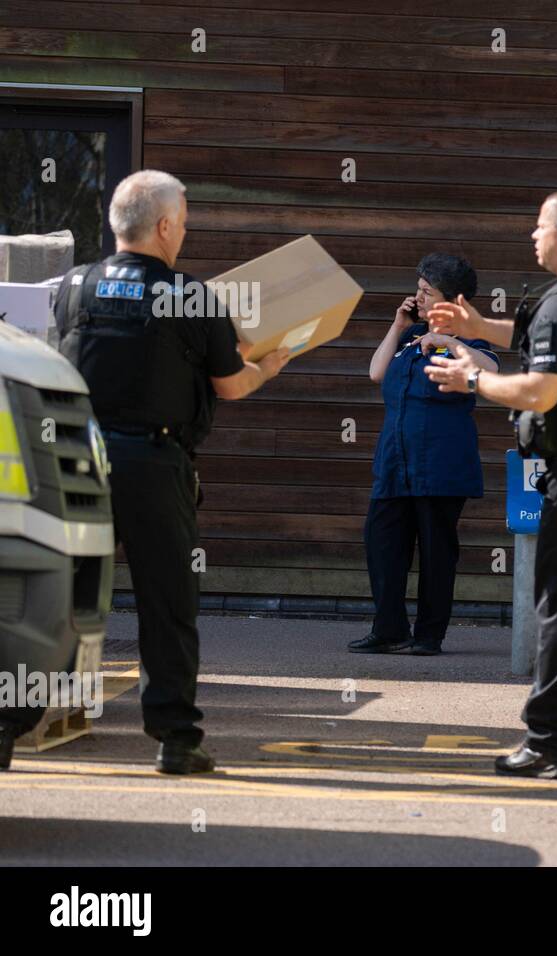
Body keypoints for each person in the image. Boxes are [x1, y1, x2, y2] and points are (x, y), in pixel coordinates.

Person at [52, 170, 291, 775]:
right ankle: (176, 740)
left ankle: (12, 724)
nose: (183, 234)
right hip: (154, 465)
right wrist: (271, 364)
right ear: (162, 226)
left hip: (76, 462)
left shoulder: (73, 286)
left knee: (64, 596)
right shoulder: (192, 296)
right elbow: (231, 383)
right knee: (167, 604)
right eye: (182, 223)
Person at [425, 189, 557, 779]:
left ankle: (547, 743)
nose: (532, 236)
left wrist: (473, 380)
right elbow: (552, 337)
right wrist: (479, 325)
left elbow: (541, 391)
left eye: (539, 226)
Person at [348, 254, 498, 655]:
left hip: (440, 466)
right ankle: (389, 628)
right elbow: (376, 373)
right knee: (382, 545)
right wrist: (398, 325)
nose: (418, 297)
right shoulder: (409, 337)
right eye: (418, 288)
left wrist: (447, 341)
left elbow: (491, 372)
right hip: (396, 463)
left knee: (435, 552)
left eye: (426, 291)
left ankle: (429, 635)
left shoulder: (470, 341)